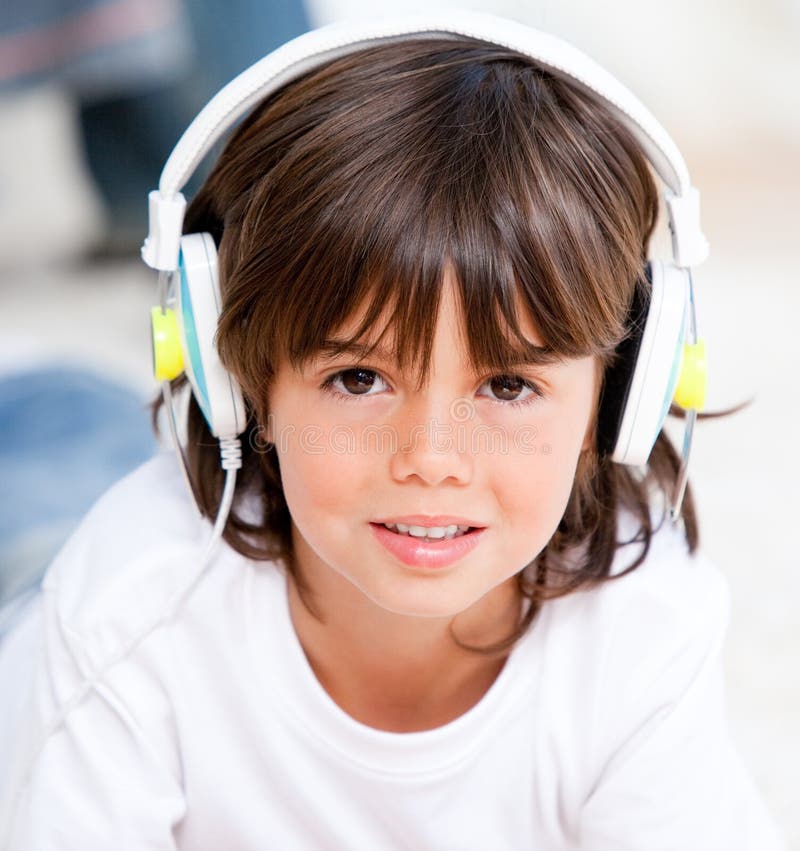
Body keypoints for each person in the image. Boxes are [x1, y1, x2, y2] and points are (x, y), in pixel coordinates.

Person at [1, 12, 788, 850]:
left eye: (509, 385)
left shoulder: (644, 627)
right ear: (240, 380)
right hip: (57, 550)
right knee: (54, 481)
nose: (431, 459)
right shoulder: (124, 611)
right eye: (358, 378)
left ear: (621, 393)